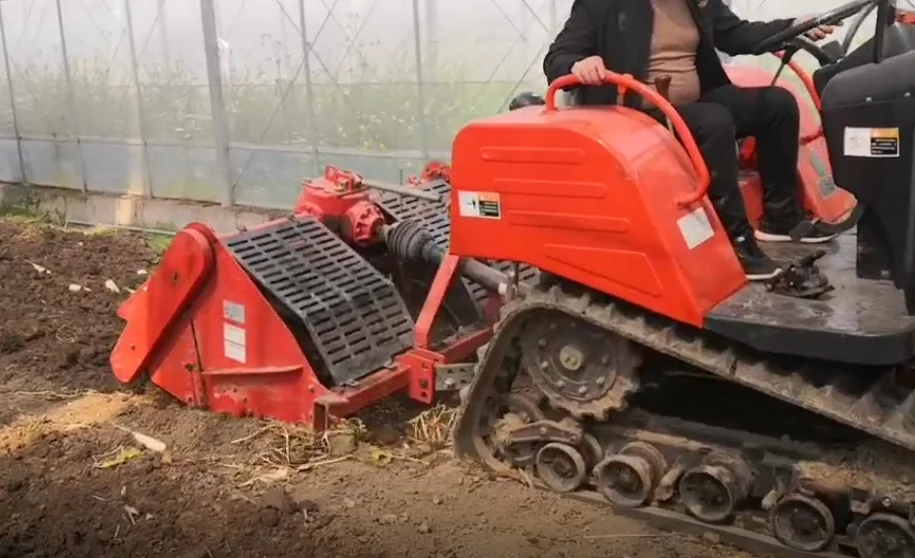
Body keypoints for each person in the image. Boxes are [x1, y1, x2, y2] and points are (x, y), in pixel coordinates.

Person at [544, 0, 838, 280]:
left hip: (695, 102)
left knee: (778, 104)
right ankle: (735, 239)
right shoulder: (602, 4)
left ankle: (781, 218)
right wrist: (579, 63)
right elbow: (557, 57)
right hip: (637, 113)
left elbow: (737, 34)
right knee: (714, 121)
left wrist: (794, 27)